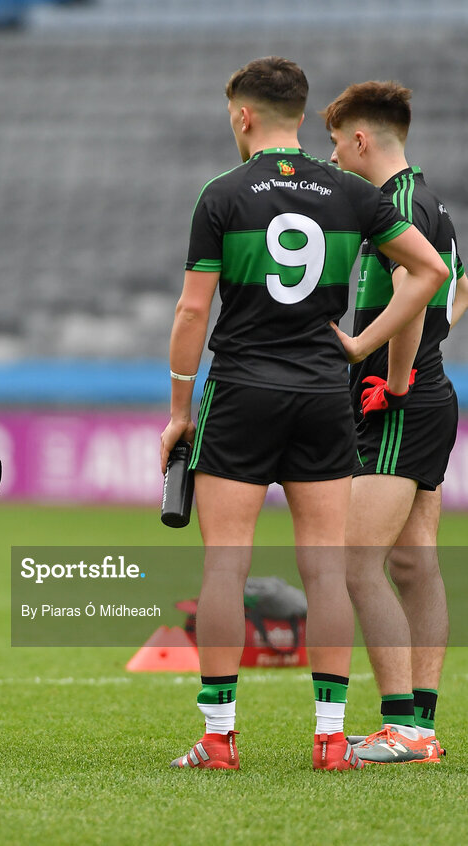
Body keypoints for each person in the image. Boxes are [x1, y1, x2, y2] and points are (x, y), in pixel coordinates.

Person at [160, 57, 448, 772]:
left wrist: (178, 410)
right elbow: (433, 273)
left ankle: (219, 739)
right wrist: (361, 345)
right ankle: (330, 739)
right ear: (299, 114)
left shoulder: (222, 193)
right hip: (322, 393)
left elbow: (192, 310)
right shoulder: (352, 192)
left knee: (226, 563)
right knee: (325, 566)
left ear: (243, 115)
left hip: (242, 389)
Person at [321, 81, 468, 764]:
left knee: (357, 562)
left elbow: (420, 282)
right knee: (412, 561)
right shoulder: (429, 198)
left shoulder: (397, 204)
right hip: (425, 393)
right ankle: (419, 729)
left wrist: (389, 369)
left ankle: (402, 724)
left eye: (334, 142)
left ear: (360, 139)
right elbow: (457, 285)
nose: (331, 155)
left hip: (398, 398)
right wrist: (432, 346)